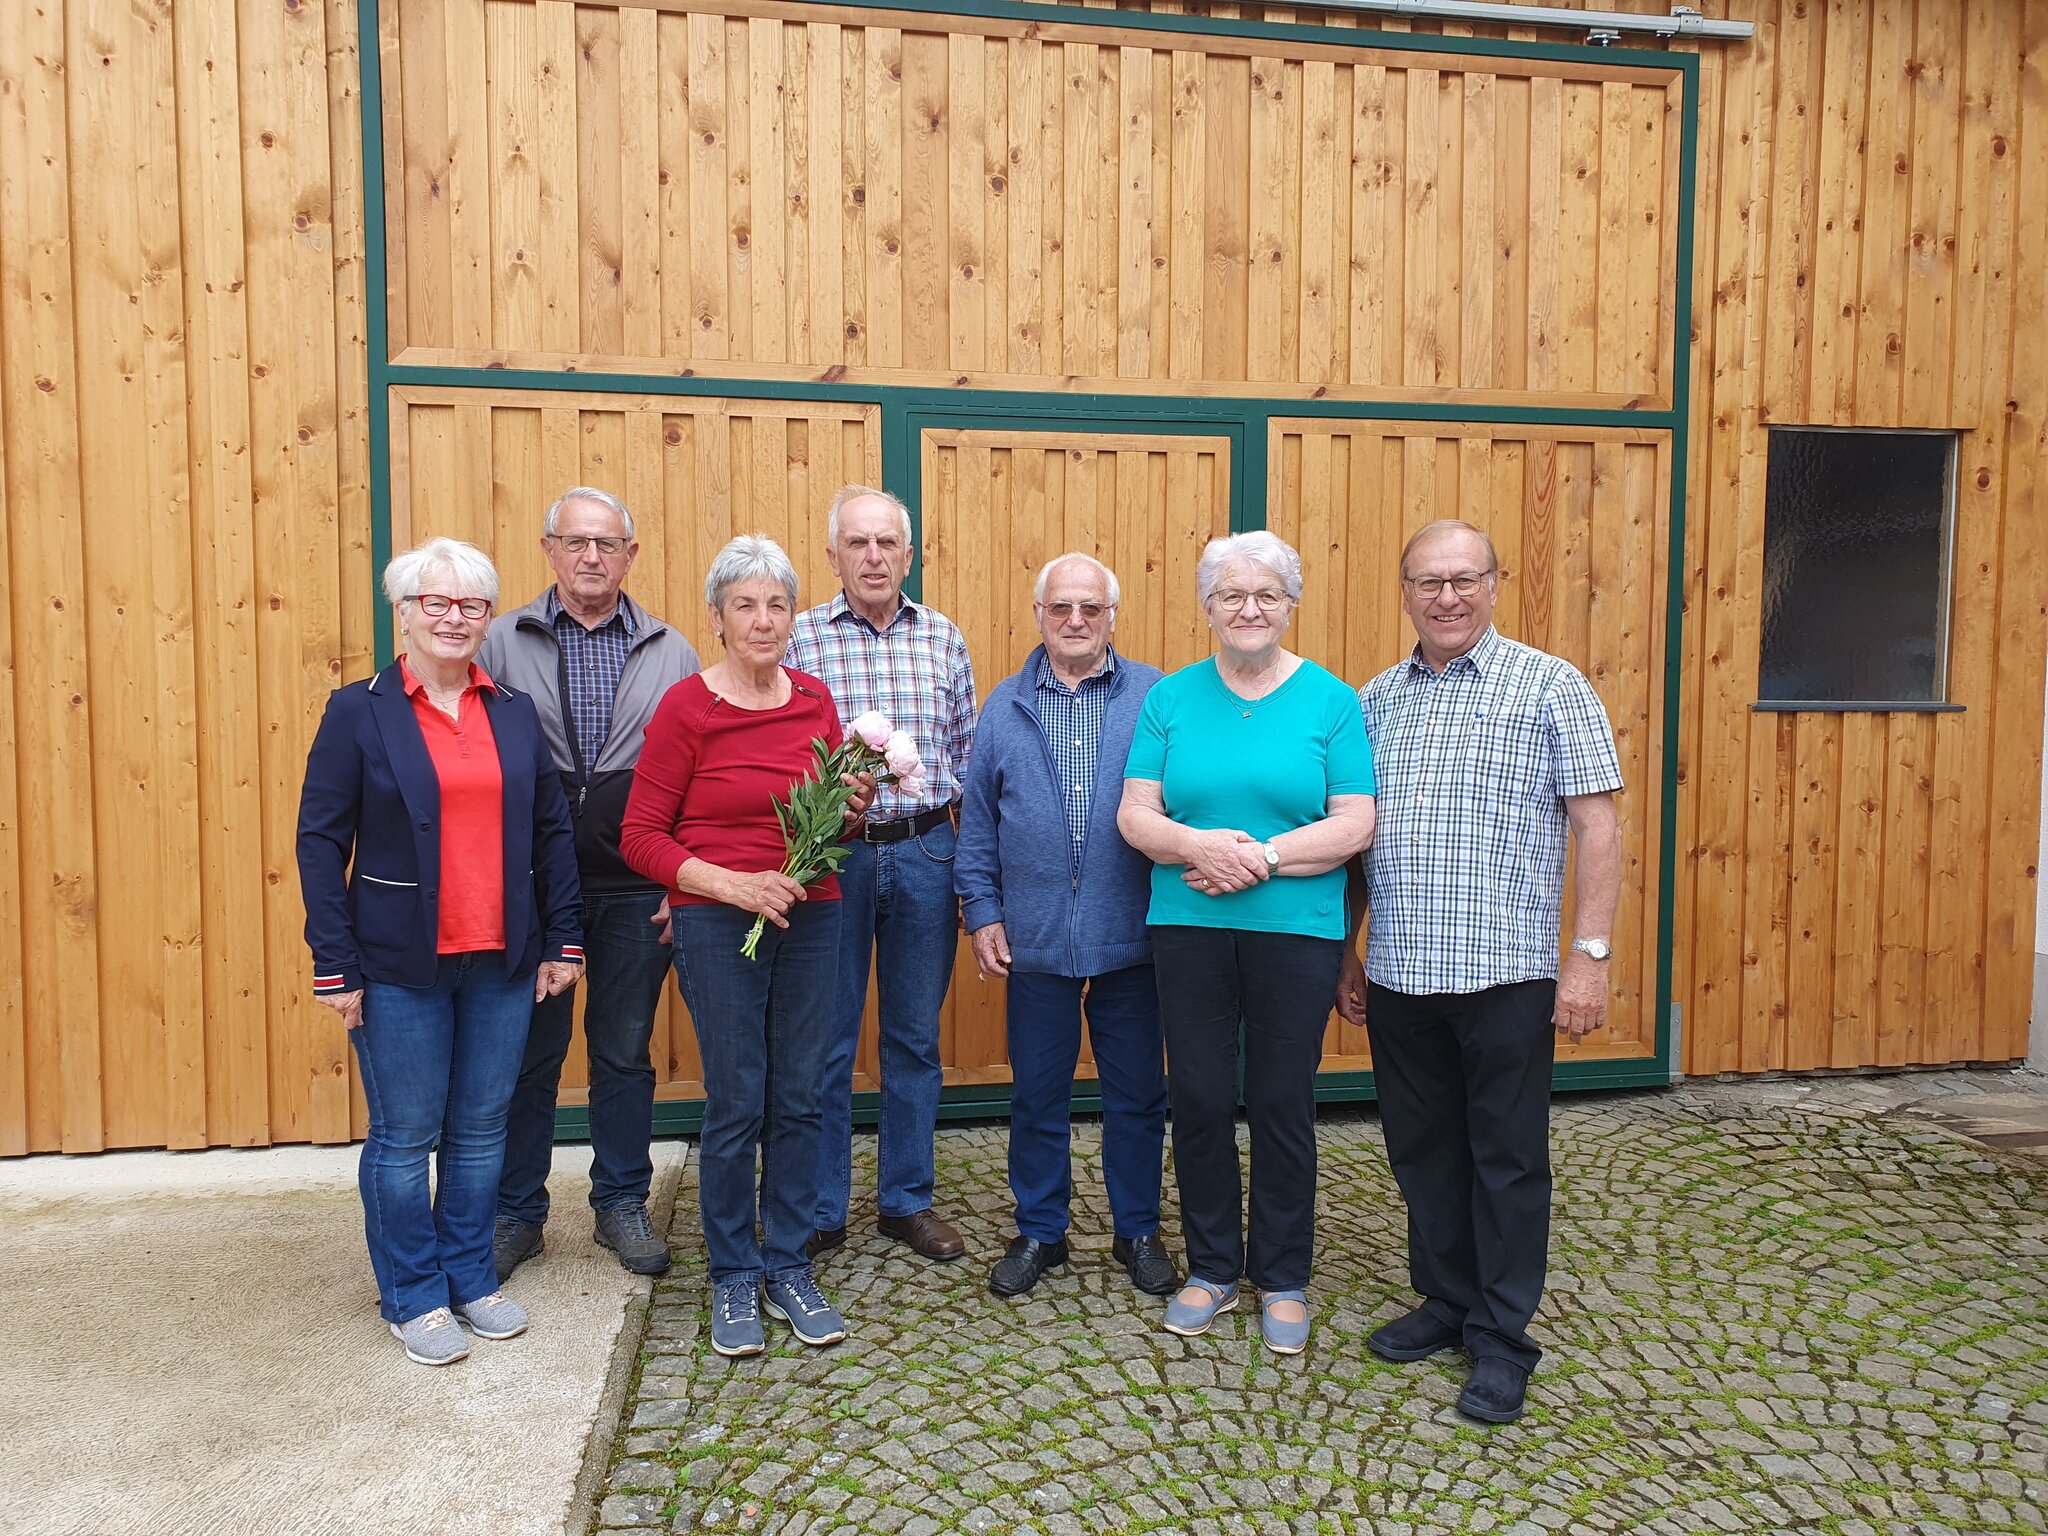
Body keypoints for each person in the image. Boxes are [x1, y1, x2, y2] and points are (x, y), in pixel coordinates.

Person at [1339, 517, 1623, 1425]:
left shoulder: (1551, 686)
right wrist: (1351, 950)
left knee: (1506, 1160)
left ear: (1496, 585)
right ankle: (1447, 1300)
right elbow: (1356, 839)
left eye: (1464, 579)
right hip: (1403, 974)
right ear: (1406, 592)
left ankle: (1503, 1338)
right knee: (1422, 1154)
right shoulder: (1375, 700)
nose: (1448, 597)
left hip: (1507, 976)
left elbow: (1600, 827)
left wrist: (1589, 955)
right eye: (1429, 582)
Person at [297, 537, 585, 1368]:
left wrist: (563, 940)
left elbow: (551, 833)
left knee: (482, 1130)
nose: (455, 619)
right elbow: (321, 842)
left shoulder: (512, 711)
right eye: (438, 603)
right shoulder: (361, 711)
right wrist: (335, 963)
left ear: (490, 617)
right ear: (405, 612)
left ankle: (469, 1277)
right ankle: (412, 1294)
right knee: (404, 1134)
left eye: (472, 605)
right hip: (396, 965)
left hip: (500, 959)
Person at [1116, 531, 1376, 1356]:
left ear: (1291, 604)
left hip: (1296, 933)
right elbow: (1136, 813)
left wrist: (1257, 858)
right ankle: (1213, 1266)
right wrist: (1200, 849)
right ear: (1208, 608)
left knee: (1281, 1102)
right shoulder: (1171, 700)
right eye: (1232, 595)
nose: (1249, 609)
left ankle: (1285, 1274)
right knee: (1195, 1097)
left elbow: (1355, 822)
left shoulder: (1331, 702)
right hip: (1189, 927)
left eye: (1266, 595)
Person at [620, 535, 877, 1357]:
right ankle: (734, 1272)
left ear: (792, 617)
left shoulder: (813, 700)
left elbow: (832, 826)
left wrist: (856, 806)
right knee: (739, 1096)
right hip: (720, 920)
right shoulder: (688, 708)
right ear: (718, 618)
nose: (763, 620)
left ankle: (789, 1262)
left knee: (801, 1093)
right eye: (745, 605)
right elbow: (640, 836)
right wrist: (731, 886)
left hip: (814, 913)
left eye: (776, 605)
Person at [484, 487, 702, 1283]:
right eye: (575, 542)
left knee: (622, 1050)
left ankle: (620, 1204)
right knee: (529, 1056)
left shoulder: (670, 649)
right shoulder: (501, 641)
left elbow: (692, 782)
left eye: (607, 545)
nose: (590, 558)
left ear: (630, 556)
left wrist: (681, 881)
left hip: (635, 885)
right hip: (535, 888)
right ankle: (517, 1213)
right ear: (549, 550)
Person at [955, 553, 1179, 1300]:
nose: (1076, 621)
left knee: (1138, 1096)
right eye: (1061, 608)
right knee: (1038, 1094)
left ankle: (1138, 1229)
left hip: (1135, 938)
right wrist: (982, 910)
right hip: (1037, 941)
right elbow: (977, 824)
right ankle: (1041, 1231)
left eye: (1090, 607)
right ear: (1040, 616)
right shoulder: (1005, 706)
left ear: (1112, 616)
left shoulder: (1156, 697)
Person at [787, 485, 978, 1263]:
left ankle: (905, 1200)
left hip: (927, 851)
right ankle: (824, 1204)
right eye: (857, 544)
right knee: (826, 1040)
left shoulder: (942, 638)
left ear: (910, 554)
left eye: (887, 544)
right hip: (834, 857)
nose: (873, 557)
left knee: (912, 1037)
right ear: (833, 556)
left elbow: (965, 759)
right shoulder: (799, 638)